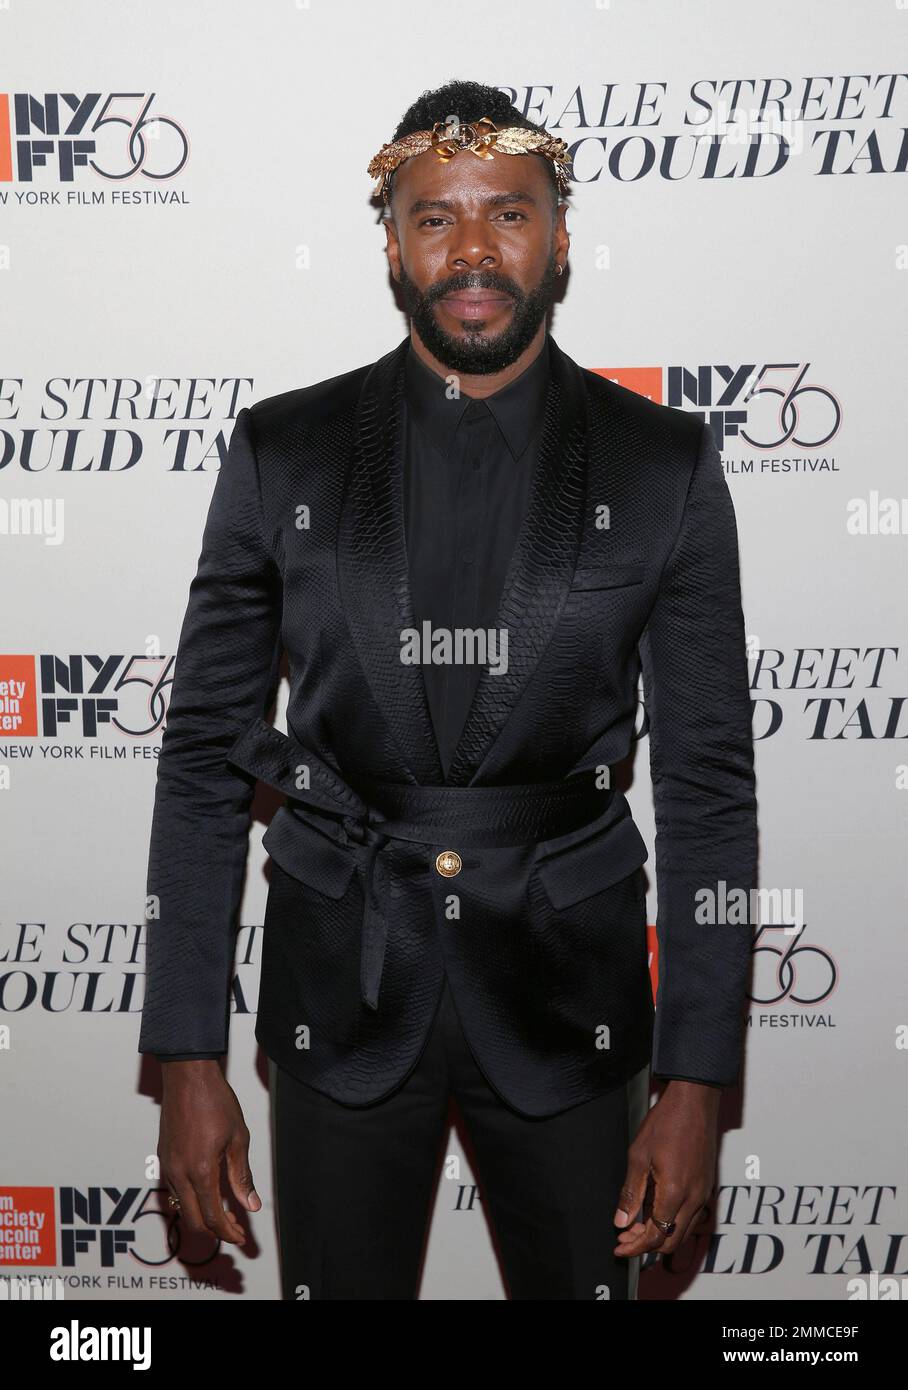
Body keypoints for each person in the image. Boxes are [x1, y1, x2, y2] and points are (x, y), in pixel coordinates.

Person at [139, 79, 758, 1300]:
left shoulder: (662, 465)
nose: (472, 249)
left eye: (507, 213)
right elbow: (206, 756)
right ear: (391, 243)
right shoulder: (282, 450)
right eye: (435, 219)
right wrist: (185, 1054)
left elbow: (707, 786)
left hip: (568, 992)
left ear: (560, 235)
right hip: (340, 982)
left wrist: (695, 1084)